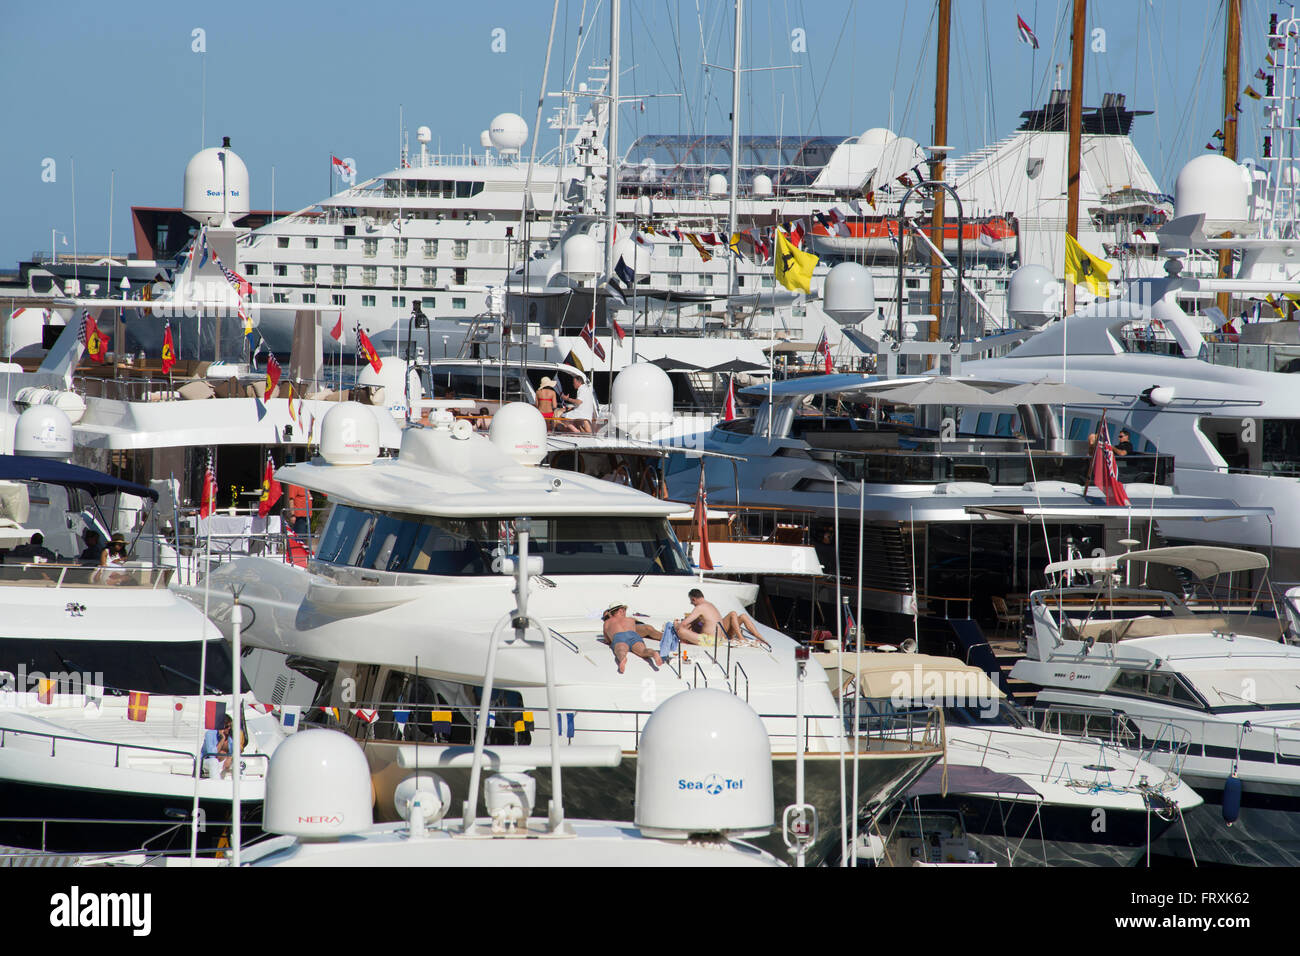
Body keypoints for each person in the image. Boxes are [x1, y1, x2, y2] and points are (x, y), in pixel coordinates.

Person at [676, 588, 770, 649]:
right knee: (738, 615)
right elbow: (709, 623)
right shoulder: (710, 605)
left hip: (710, 640)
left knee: (681, 631)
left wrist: (676, 625)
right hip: (720, 637)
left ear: (694, 599)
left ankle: (741, 638)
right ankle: (761, 638)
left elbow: (684, 624)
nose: (692, 604)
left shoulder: (699, 607)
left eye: (692, 602)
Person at [600, 603, 662, 673]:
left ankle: (622, 658)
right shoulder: (631, 619)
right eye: (624, 610)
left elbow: (607, 640)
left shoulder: (607, 622)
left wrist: (609, 641)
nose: (625, 612)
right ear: (621, 610)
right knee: (643, 651)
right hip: (633, 635)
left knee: (620, 650)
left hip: (619, 636)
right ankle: (653, 653)